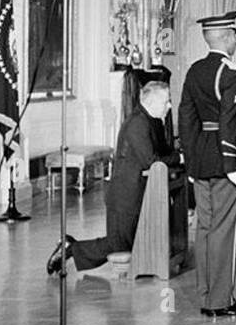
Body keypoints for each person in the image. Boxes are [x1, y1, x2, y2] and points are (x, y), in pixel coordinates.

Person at [48, 80, 180, 275]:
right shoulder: (137, 123)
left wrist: (177, 155)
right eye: (166, 101)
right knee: (118, 246)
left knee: (129, 243)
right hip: (125, 199)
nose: (169, 106)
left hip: (139, 194)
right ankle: (70, 248)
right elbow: (151, 161)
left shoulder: (153, 122)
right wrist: (181, 157)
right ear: (152, 101)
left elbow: (164, 153)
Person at [178, 11, 236, 318]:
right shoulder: (231, 73)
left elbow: (186, 118)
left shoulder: (194, 70)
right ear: (225, 37)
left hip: (201, 161)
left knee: (205, 229)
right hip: (223, 163)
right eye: (234, 34)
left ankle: (207, 293)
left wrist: (192, 164)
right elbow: (227, 121)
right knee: (222, 231)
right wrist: (233, 168)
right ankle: (219, 301)